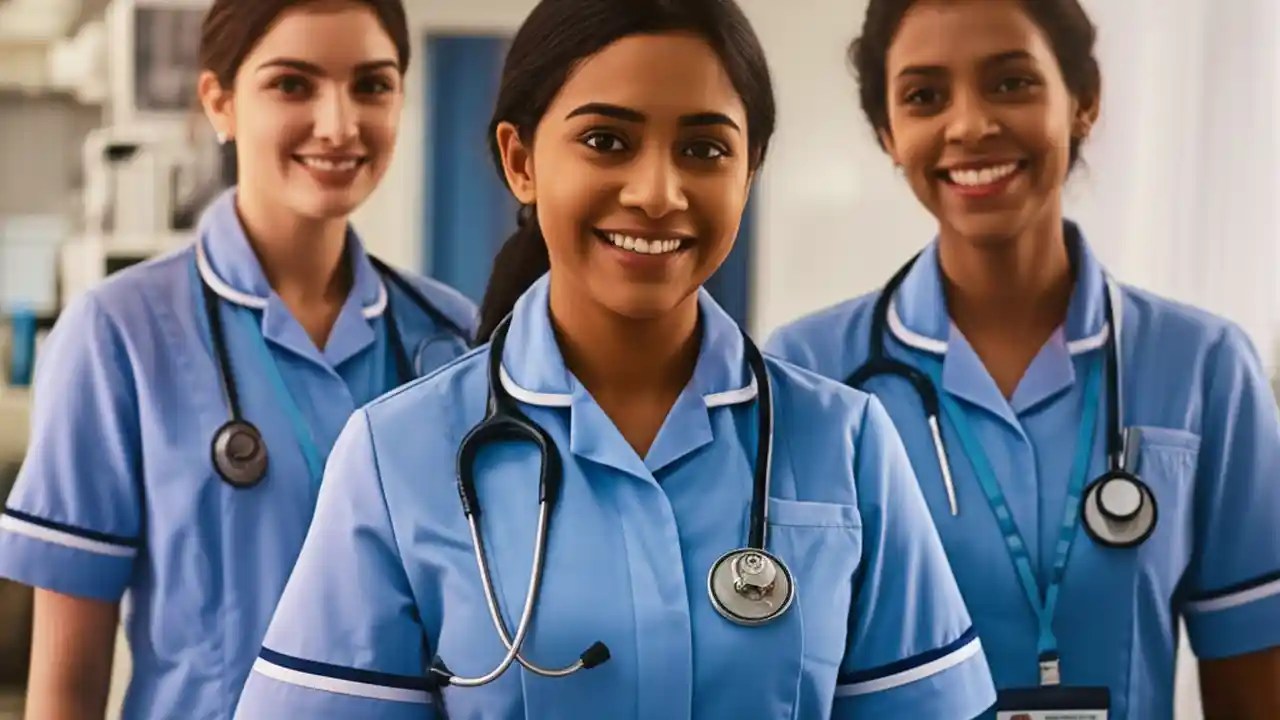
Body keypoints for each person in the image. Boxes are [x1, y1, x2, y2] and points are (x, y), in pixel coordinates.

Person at [232, 0, 998, 718]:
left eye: (703, 148)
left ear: (749, 169)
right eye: (607, 141)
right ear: (521, 159)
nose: (658, 192)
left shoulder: (846, 443)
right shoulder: (396, 456)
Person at [765, 0, 1280, 718]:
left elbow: (1254, 679)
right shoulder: (806, 371)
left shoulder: (1204, 367)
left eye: (1011, 83)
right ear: (888, 132)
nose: (970, 124)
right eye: (924, 97)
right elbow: (786, 672)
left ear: (1084, 101)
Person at [0, 1, 476, 718]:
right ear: (219, 102)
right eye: (293, 84)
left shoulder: (450, 335)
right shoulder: (119, 335)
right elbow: (67, 686)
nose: (340, 124)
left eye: (372, 86)